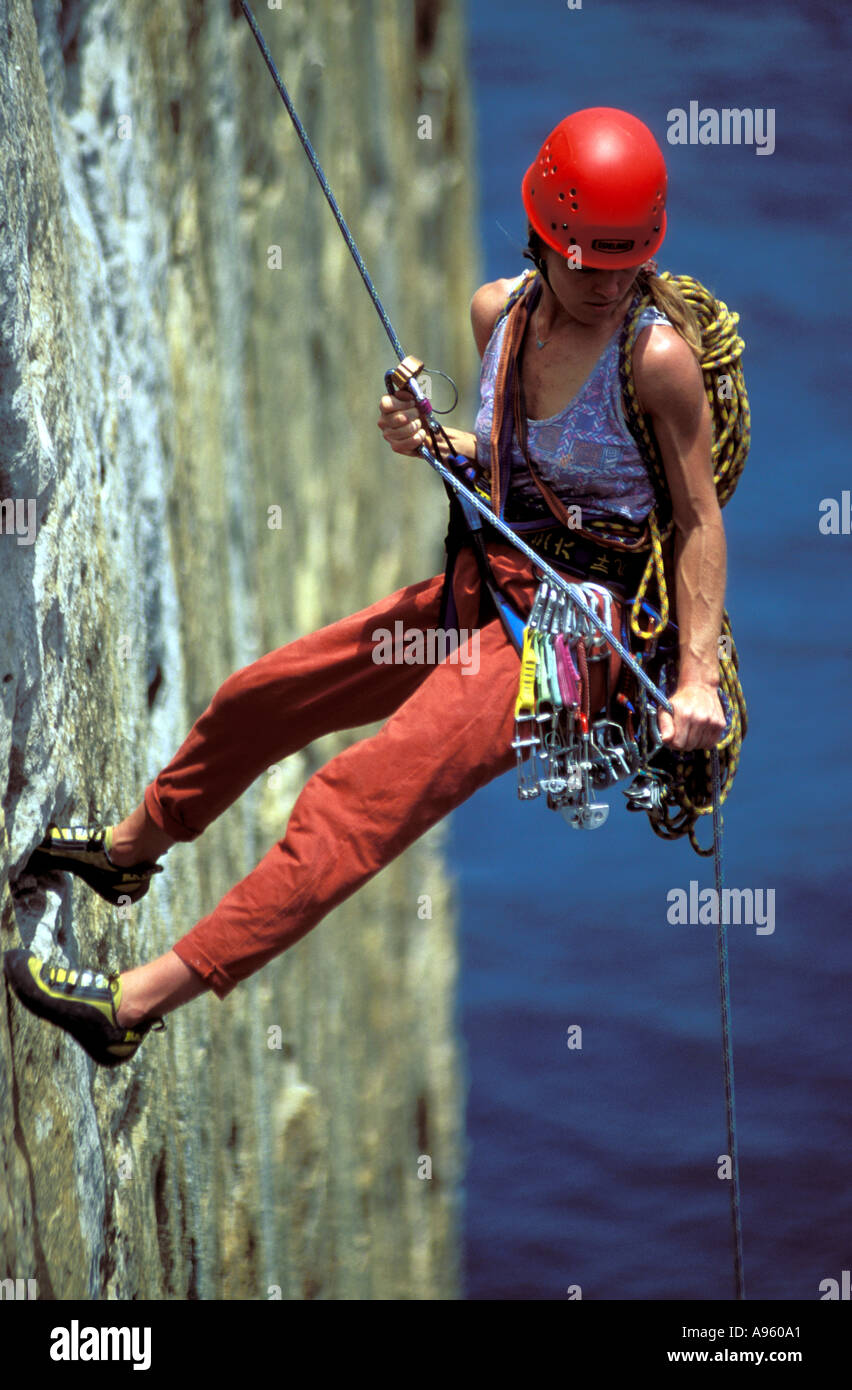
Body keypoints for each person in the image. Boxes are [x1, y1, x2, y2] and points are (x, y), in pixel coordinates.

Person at [3, 107, 727, 1067]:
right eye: (584, 259)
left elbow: (696, 519)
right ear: (545, 239)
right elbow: (516, 466)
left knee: (350, 805)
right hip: (490, 582)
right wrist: (432, 441)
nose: (601, 283)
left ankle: (130, 1006)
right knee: (264, 695)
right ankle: (130, 851)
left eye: (623, 263)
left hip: (575, 632)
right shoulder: (498, 316)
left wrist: (696, 680)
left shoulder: (658, 361)